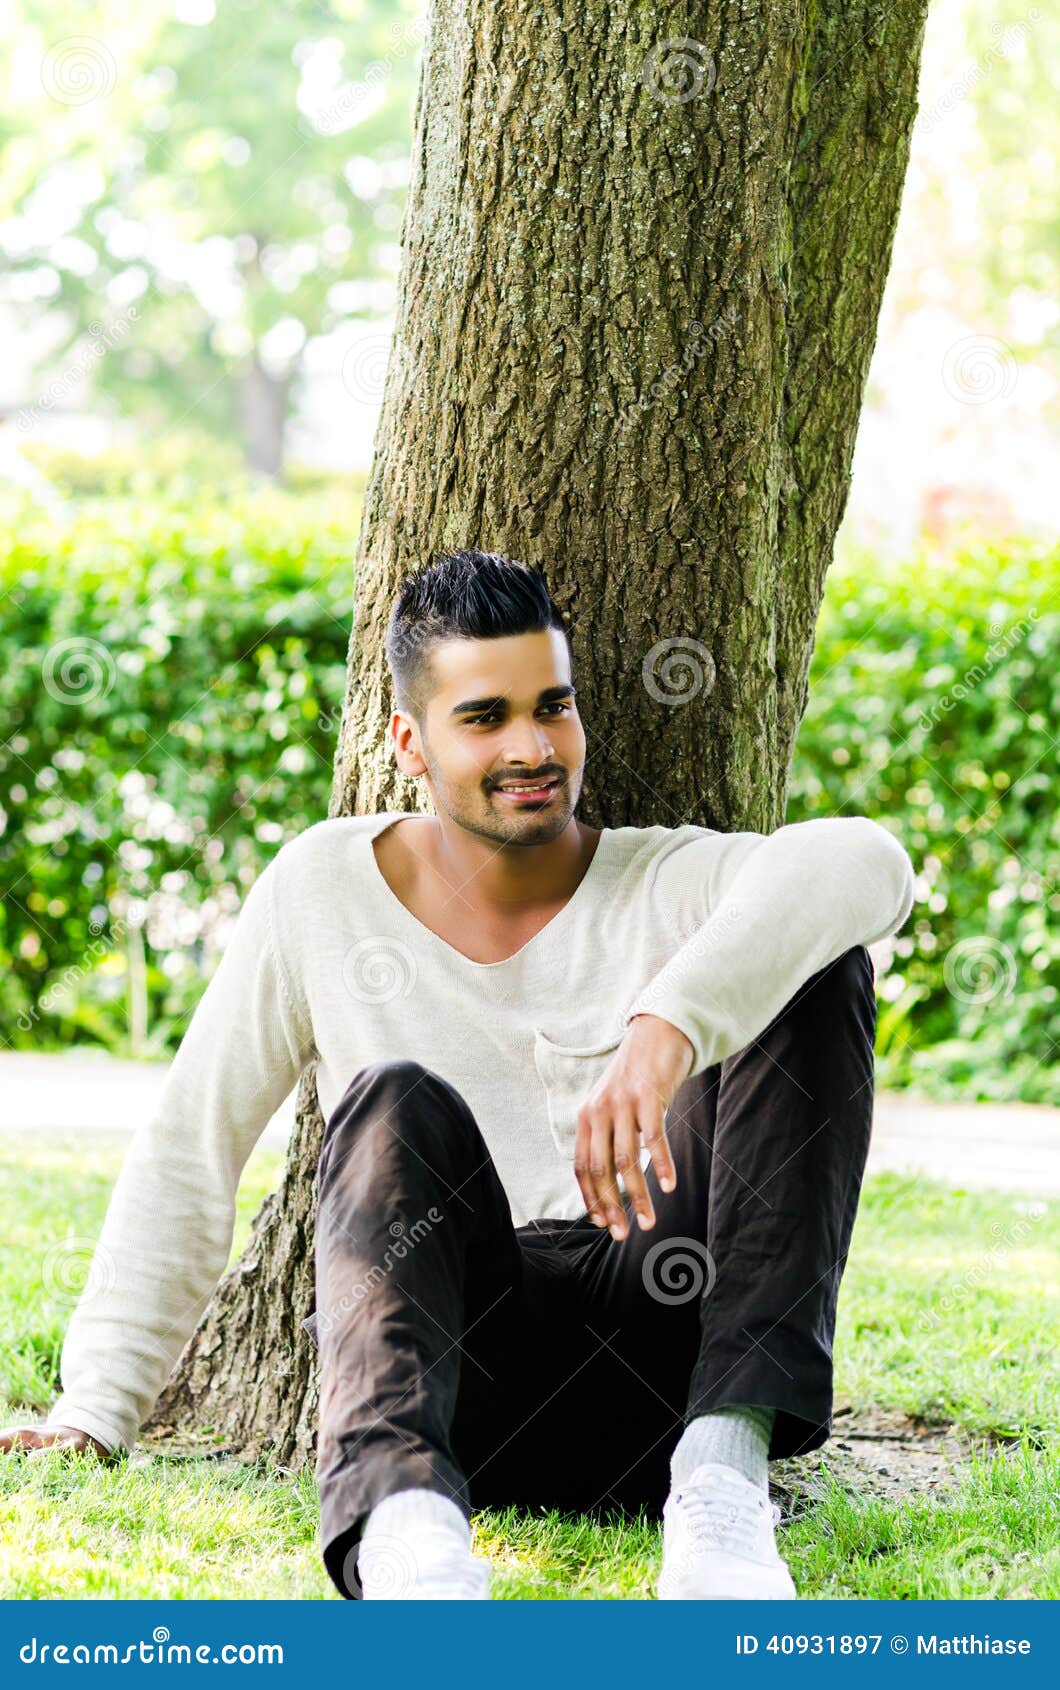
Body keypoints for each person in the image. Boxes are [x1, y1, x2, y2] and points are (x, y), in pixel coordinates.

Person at [0, 549, 914, 1601]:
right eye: (485, 718)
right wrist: (96, 1407)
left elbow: (868, 864)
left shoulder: (667, 876)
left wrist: (668, 1023)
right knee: (391, 1097)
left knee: (817, 967)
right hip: (461, 1382)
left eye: (553, 706)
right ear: (410, 742)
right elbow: (191, 1146)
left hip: (665, 1365)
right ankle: (407, 1534)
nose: (532, 747)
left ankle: (723, 1490)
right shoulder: (320, 888)